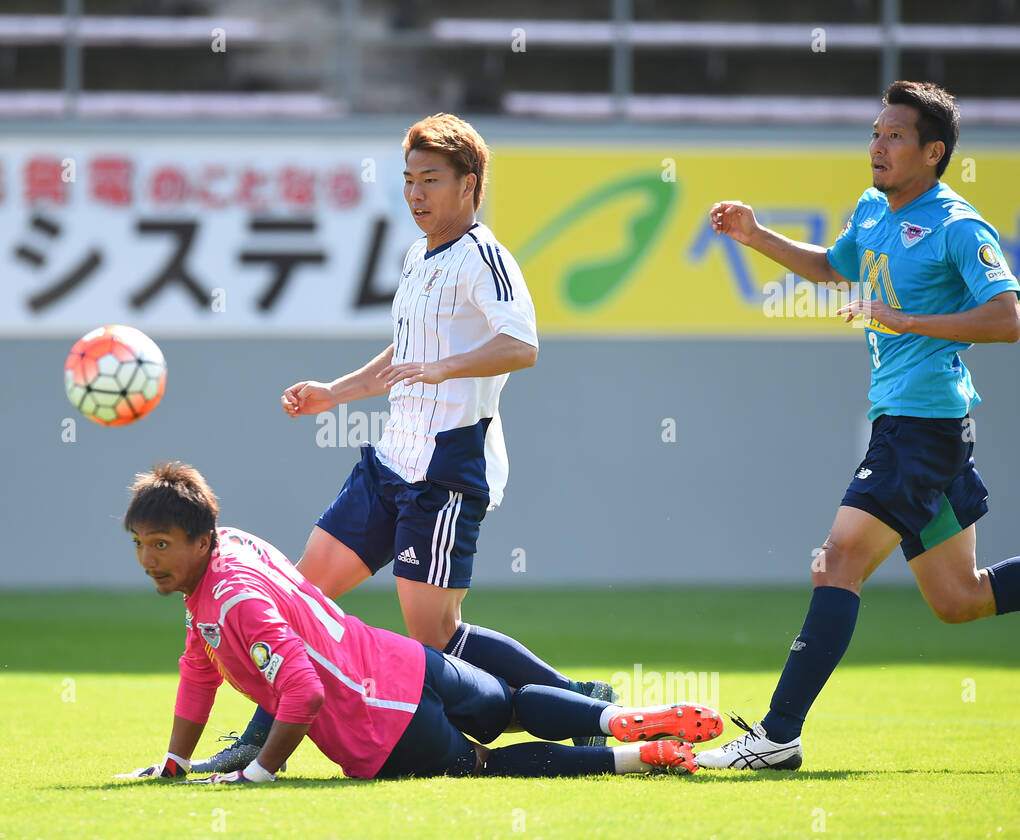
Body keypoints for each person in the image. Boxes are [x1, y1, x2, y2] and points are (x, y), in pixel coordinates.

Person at [195, 112, 615, 773]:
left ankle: (582, 703)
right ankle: (256, 736)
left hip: (447, 471)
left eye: (431, 180)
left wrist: (446, 366)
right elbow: (409, 351)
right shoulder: (416, 257)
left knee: (436, 636)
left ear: (470, 186)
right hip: (389, 461)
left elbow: (522, 345)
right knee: (299, 597)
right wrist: (335, 392)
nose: (416, 194)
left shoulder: (487, 258)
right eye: (409, 180)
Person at [698, 81, 1020, 771]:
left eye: (895, 135)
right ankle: (778, 737)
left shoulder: (959, 225)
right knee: (960, 599)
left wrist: (909, 320)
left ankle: (777, 735)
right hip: (910, 425)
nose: (877, 145)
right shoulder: (874, 210)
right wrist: (755, 236)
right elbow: (832, 268)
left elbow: (1006, 318)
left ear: (934, 153)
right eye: (875, 132)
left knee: (837, 561)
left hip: (923, 427)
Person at [114, 463, 723, 783]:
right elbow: (200, 668)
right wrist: (176, 760)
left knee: (485, 765)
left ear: (200, 541)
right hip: (405, 661)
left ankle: (642, 758)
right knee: (510, 705)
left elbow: (303, 691)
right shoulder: (235, 547)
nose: (149, 560)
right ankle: (615, 718)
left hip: (379, 728)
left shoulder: (232, 601)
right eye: (141, 544)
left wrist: (260, 771)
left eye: (162, 544)